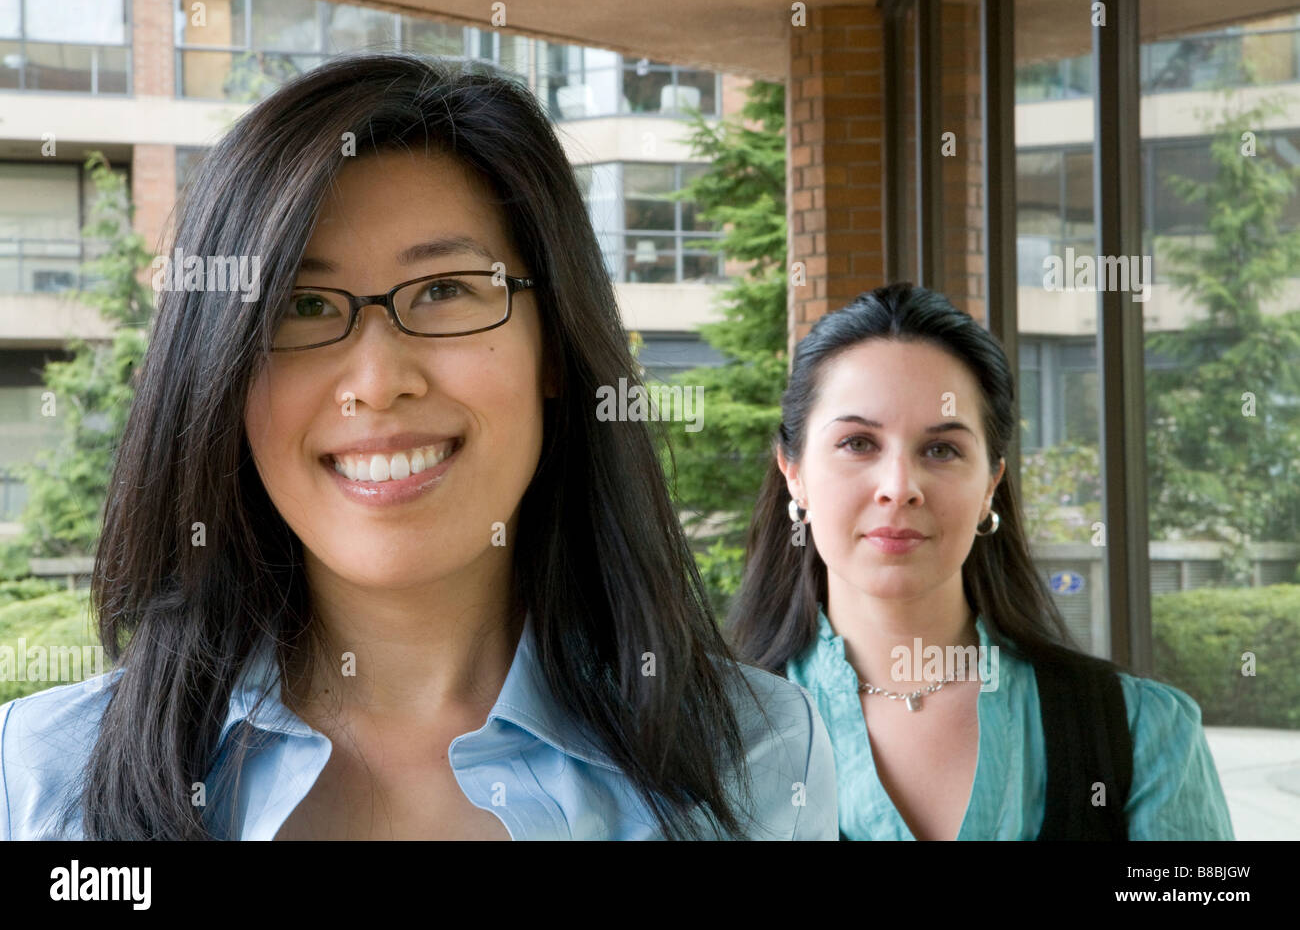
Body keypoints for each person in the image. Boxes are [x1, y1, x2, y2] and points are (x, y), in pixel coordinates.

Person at [0, 53, 835, 841]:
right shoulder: (43, 778)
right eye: (304, 306)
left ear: (553, 348)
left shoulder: (754, 760)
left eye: (445, 290)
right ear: (219, 372)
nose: (377, 379)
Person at [726, 282, 1233, 840]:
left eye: (941, 449)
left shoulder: (1143, 733)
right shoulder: (712, 738)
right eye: (858, 443)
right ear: (793, 472)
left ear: (991, 482)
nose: (899, 487)